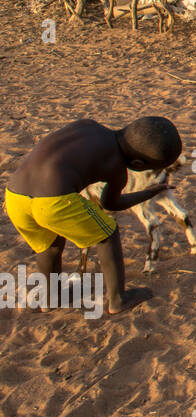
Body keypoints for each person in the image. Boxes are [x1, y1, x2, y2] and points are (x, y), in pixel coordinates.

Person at [5, 116, 181, 315]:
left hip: (14, 195)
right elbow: (112, 204)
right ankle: (118, 299)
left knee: (50, 245)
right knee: (108, 234)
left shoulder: (87, 124)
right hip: (54, 201)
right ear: (138, 164)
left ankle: (50, 298)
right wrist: (149, 192)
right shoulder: (116, 166)